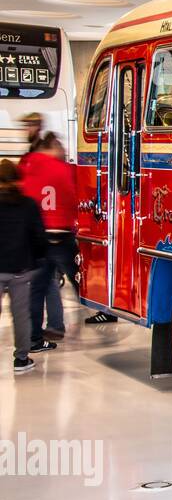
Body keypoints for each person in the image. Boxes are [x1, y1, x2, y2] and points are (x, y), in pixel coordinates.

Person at [20, 132, 76, 348]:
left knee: (38, 288)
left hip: (39, 238)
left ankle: (35, 337)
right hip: (62, 233)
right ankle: (97, 311)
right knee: (77, 280)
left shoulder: (27, 167)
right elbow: (71, 197)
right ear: (52, 145)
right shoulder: (61, 168)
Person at [0, 158, 47, 373]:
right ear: (19, 179)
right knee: (20, 315)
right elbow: (39, 237)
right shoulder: (28, 204)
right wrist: (37, 260)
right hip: (20, 269)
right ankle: (21, 359)